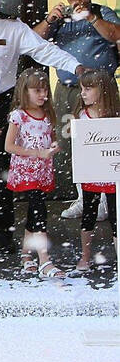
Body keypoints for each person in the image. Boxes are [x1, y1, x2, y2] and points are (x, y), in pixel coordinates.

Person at [0, 0, 81, 248]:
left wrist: (74, 65)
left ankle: (3, 235)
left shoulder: (11, 27)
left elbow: (44, 50)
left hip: (0, 103)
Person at [33, 0, 120, 218]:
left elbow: (116, 35)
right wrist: (50, 20)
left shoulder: (102, 12)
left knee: (104, 142)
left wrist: (90, 17)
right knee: (72, 144)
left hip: (102, 90)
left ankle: (107, 200)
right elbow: (31, 40)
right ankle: (85, 198)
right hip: (69, 90)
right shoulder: (60, 19)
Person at [4, 69, 63, 278]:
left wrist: (53, 147)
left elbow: (51, 138)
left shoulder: (47, 115)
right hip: (26, 171)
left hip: (43, 171)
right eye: (37, 90)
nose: (43, 95)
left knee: (34, 211)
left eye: (45, 90)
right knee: (39, 210)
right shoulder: (18, 116)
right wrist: (37, 152)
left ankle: (25, 255)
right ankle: (44, 260)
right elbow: (9, 146)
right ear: (24, 91)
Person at [71, 66, 120, 273]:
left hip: (113, 174)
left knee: (116, 217)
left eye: (88, 89)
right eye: (82, 89)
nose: (83, 93)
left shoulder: (116, 115)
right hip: (91, 172)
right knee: (89, 214)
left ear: (103, 90)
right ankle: (85, 256)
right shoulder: (81, 115)